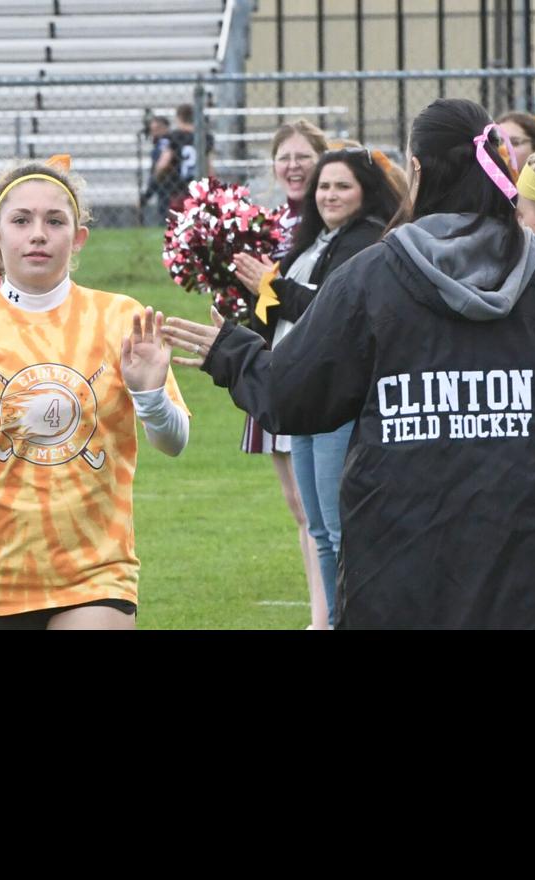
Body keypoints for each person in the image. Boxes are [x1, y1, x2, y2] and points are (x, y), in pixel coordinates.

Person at [167, 99, 535, 628]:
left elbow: (291, 392)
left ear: (417, 170)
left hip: (398, 570)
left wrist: (232, 352)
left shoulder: (374, 276)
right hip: (528, 568)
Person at [0, 159, 191, 629]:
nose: (38, 234)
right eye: (21, 220)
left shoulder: (119, 318)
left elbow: (173, 442)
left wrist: (151, 395)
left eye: (55, 221)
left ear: (78, 238)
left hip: (97, 574)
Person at [218, 146, 401, 629]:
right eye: (324, 186)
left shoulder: (367, 241)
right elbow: (283, 312)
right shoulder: (315, 240)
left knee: (340, 529)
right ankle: (333, 620)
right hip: (301, 394)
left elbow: (332, 314)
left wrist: (273, 287)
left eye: (342, 186)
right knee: (317, 526)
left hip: (337, 400)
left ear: (366, 192)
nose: (329, 195)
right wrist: (255, 301)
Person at [229, 117, 329, 626]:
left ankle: (325, 616)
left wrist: (270, 287)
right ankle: (321, 612)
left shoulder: (326, 228)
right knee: (298, 506)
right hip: (275, 364)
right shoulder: (262, 226)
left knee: (317, 511)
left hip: (313, 371)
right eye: (284, 157)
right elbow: (264, 310)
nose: (293, 166)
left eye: (303, 156)